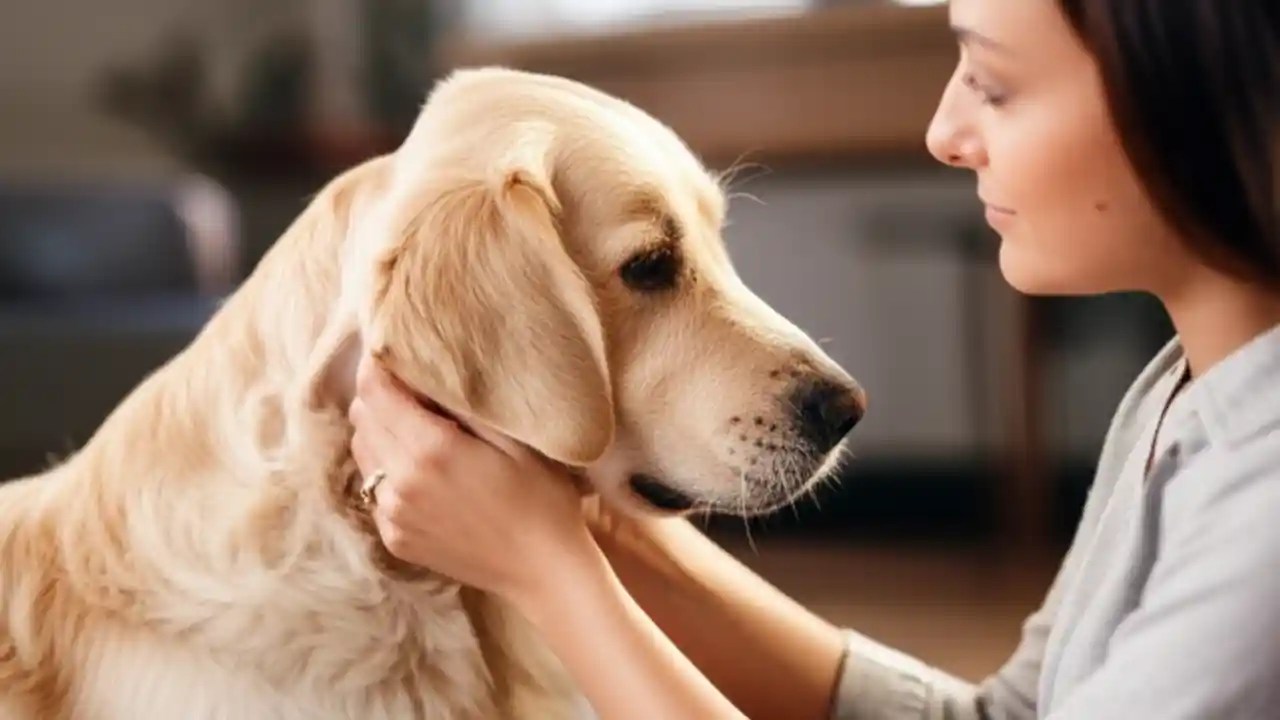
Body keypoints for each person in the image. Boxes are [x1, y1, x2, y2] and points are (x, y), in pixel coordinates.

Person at [345, 0, 1280, 717]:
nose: (945, 132)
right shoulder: (1182, 391)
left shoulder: (1263, 513)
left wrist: (548, 571)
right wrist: (594, 526)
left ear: (1202, 89)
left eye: (994, 84)